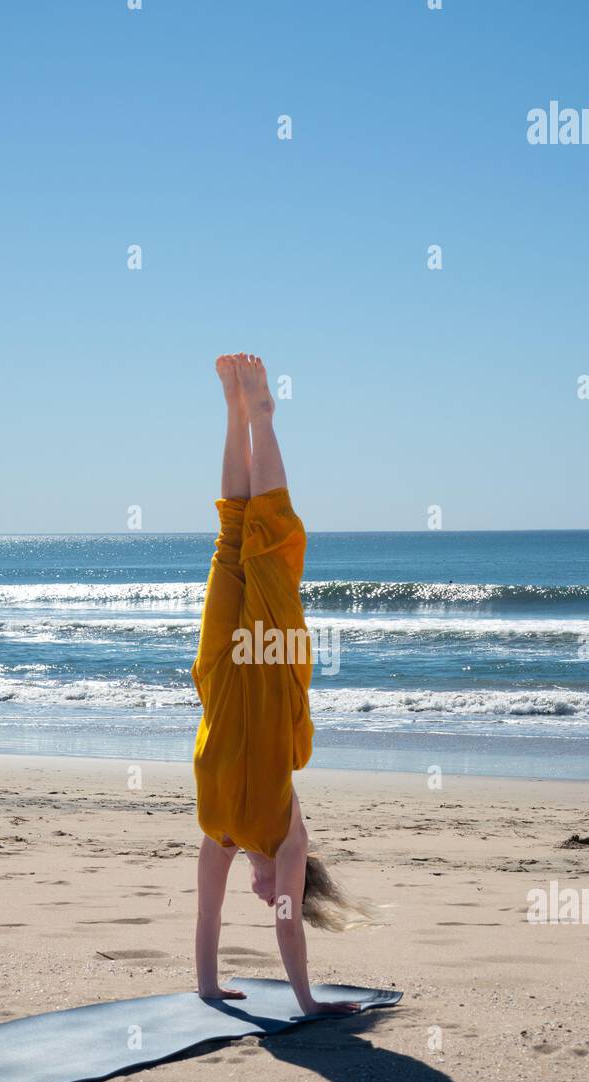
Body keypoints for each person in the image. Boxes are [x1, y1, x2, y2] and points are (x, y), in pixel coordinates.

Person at [192, 353, 365, 1016]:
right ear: (300, 869)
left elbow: (207, 923)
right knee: (273, 540)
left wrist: (209, 988)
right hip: (269, 666)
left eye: (267, 893)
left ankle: (235, 411)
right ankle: (263, 414)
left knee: (233, 533)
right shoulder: (288, 837)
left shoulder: (220, 836)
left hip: (223, 671)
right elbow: (288, 927)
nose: (267, 895)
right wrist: (309, 1004)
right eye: (278, 890)